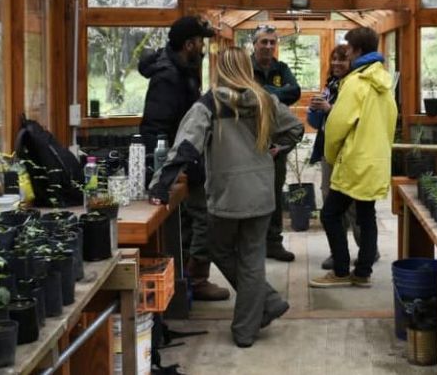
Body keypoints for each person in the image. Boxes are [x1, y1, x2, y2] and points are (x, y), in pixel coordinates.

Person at [148, 46, 304, 347]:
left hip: (226, 196)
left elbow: (185, 147)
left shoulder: (209, 104)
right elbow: (295, 129)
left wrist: (159, 186)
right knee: (252, 258)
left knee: (220, 251)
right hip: (261, 193)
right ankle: (264, 307)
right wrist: (276, 150)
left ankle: (250, 324)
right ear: (246, 68)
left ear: (220, 69)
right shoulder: (265, 100)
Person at [138, 15, 230, 301]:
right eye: (200, 42)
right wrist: (167, 170)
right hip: (180, 162)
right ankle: (196, 280)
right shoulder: (168, 77)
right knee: (203, 219)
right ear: (189, 44)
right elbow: (155, 127)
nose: (203, 47)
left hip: (189, 158)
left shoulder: (184, 69)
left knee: (193, 221)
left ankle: (186, 280)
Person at [309, 27, 398, 288]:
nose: (345, 54)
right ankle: (362, 273)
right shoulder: (384, 82)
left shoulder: (356, 83)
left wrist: (332, 155)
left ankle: (339, 271)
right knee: (366, 215)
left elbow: (336, 126)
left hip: (354, 161)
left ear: (357, 51)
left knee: (330, 214)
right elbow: (391, 122)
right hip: (376, 160)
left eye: (347, 50)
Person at [250, 25, 302, 262]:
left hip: (277, 141)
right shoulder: (246, 67)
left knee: (274, 192)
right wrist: (277, 92)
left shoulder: (281, 68)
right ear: (254, 44)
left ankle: (274, 242)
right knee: (250, 193)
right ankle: (252, 245)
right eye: (264, 42)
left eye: (272, 42)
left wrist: (265, 92)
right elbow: (245, 92)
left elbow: (295, 92)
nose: (269, 46)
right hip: (249, 140)